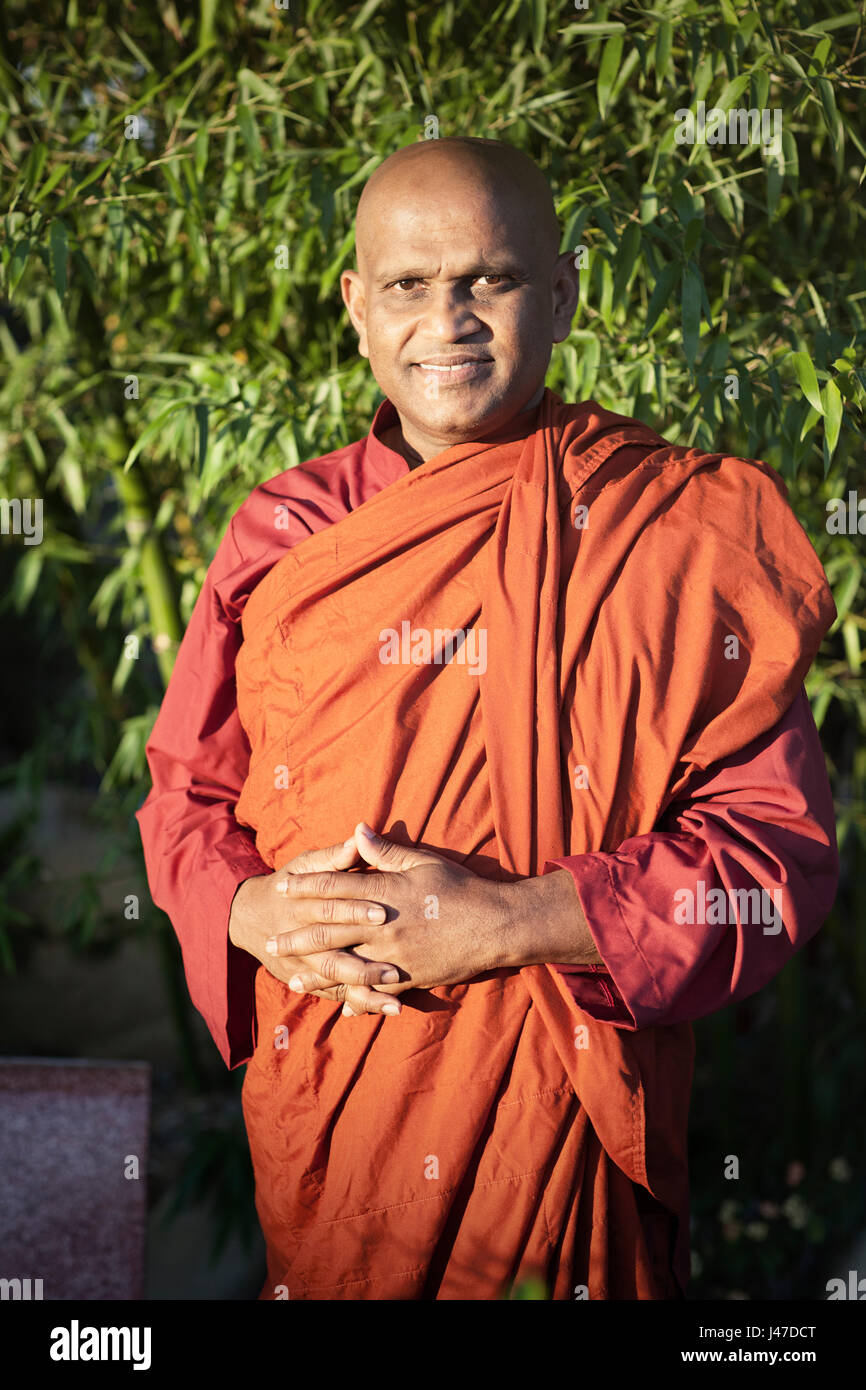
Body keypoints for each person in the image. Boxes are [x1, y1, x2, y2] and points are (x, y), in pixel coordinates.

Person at [136, 137, 838, 1300]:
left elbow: (774, 860)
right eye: (409, 286)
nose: (446, 319)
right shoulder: (283, 534)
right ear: (357, 309)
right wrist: (251, 908)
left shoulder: (668, 533)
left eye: (488, 280)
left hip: (559, 1120)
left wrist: (513, 919)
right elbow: (185, 797)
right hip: (338, 1109)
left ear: (558, 294)